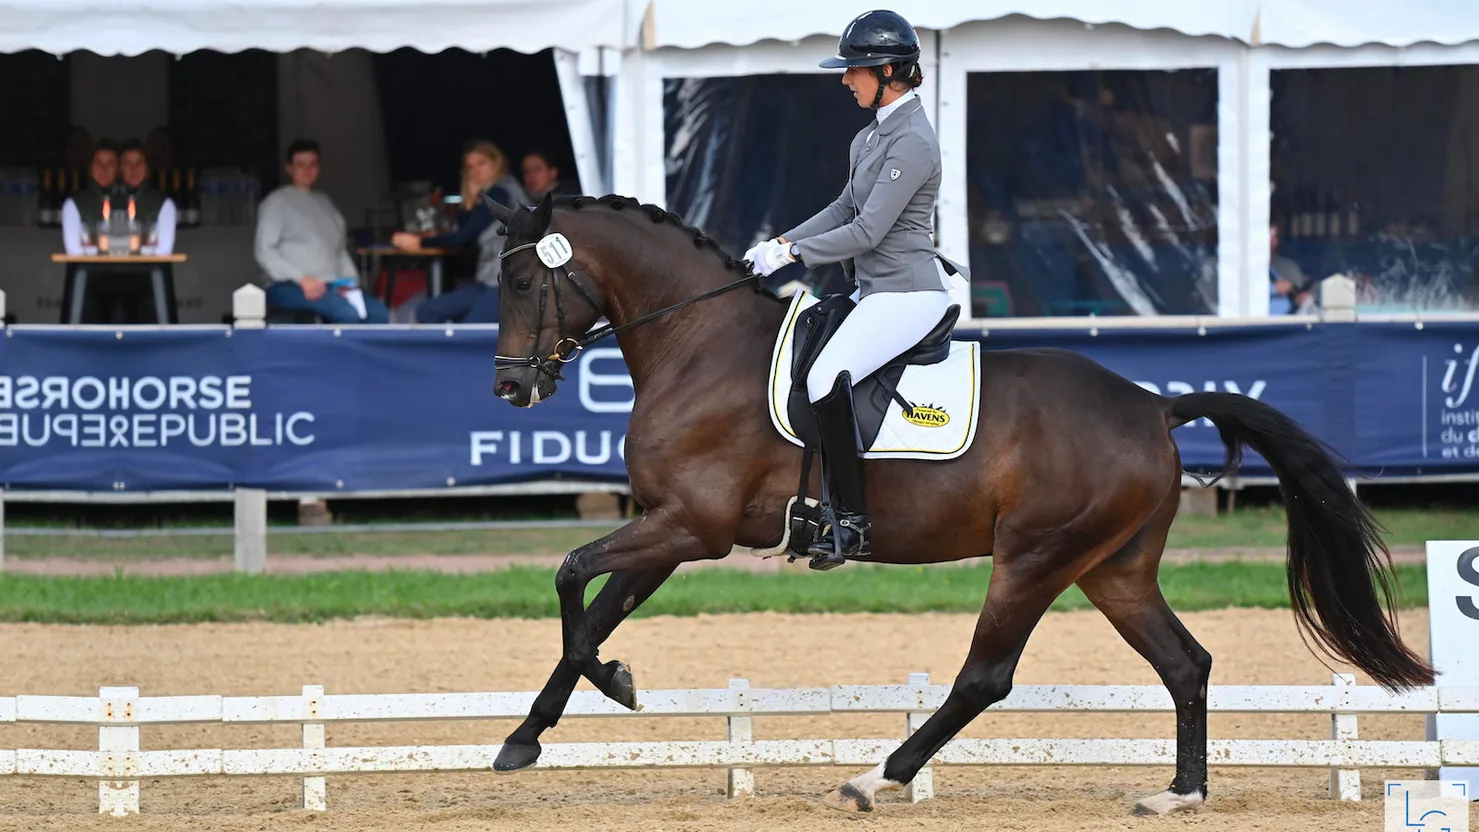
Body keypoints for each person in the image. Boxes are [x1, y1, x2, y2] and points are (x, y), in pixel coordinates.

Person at [745, 9, 964, 570]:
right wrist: (779, 243)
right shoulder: (871, 136)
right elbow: (844, 208)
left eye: (855, 70)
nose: (846, 79)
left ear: (889, 71)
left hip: (908, 294)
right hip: (875, 291)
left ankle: (852, 520)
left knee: (825, 377)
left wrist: (793, 255)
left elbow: (868, 230)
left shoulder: (913, 141)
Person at [254, 138, 389, 324]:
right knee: (346, 314)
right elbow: (265, 251)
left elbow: (339, 252)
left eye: (313, 164)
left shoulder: (326, 204)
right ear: (289, 168)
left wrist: (350, 284)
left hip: (330, 285)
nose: (307, 170)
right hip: (287, 285)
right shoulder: (276, 203)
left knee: (377, 312)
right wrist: (302, 279)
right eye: (301, 165)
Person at [401, 139, 530, 324]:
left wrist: (418, 243)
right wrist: (469, 204)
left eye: (482, 163)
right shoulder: (493, 193)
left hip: (509, 281)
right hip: (489, 280)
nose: (476, 171)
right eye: (470, 167)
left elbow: (461, 237)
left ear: (496, 164)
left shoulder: (501, 192)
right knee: (427, 311)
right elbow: (465, 231)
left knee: (469, 328)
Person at [60, 139, 125, 254]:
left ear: (119, 169)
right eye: (98, 163)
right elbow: (74, 251)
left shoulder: (130, 202)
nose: (103, 168)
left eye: (110, 163)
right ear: (90, 168)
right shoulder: (74, 204)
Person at [119, 138, 177, 255]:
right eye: (127, 163)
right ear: (119, 169)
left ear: (147, 169)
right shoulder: (108, 201)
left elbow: (163, 252)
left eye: (138, 163)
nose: (133, 168)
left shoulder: (163, 204)